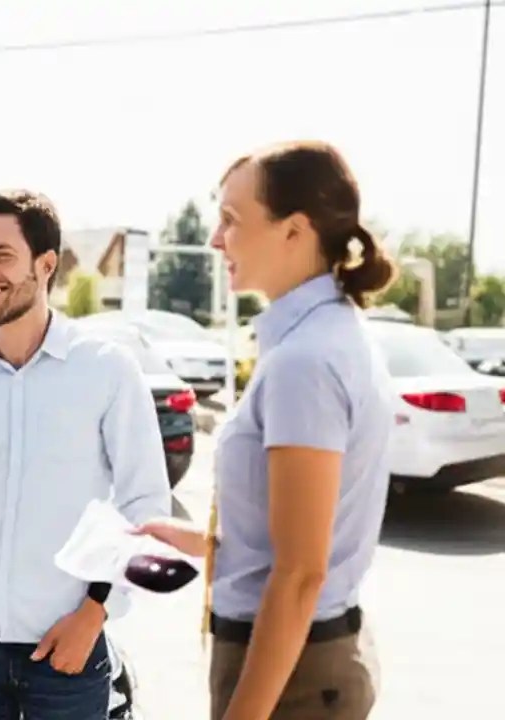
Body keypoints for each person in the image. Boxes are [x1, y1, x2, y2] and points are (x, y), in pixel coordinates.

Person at [134, 140, 396, 720]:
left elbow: (302, 573)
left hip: (293, 674)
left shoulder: (307, 359)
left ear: (294, 231)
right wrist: (208, 548)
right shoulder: (324, 338)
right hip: (302, 660)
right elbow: (302, 541)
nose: (214, 239)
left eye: (231, 219)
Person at [0, 189, 173, 719]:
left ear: (45, 265)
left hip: (67, 643)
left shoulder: (107, 370)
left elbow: (145, 507)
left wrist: (96, 612)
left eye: (1, 255)